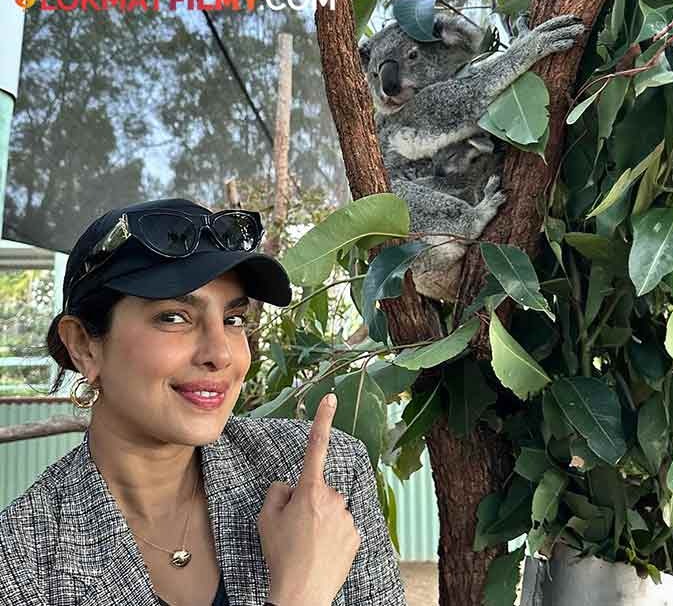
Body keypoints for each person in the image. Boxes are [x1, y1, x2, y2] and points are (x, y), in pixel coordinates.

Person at [0, 199, 406, 605]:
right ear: (84, 347)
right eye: (174, 317)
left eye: (233, 320)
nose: (222, 354)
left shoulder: (319, 481)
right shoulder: (23, 560)